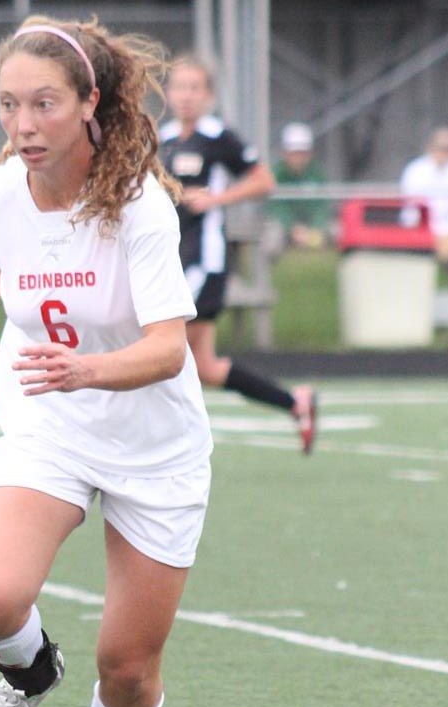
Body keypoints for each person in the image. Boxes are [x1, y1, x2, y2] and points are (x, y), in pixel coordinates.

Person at [0, 15, 212, 707]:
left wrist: (83, 369)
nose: (23, 125)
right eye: (7, 105)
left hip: (153, 442)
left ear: (88, 104)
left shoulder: (138, 205)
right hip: (50, 420)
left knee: (127, 665)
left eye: (43, 105)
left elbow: (169, 348)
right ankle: (28, 672)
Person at [159, 54, 318, 454]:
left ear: (209, 95)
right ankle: (295, 403)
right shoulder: (163, 139)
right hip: (175, 258)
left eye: (195, 87)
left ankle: (157, 441)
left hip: (205, 261)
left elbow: (263, 180)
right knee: (205, 366)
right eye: (179, 86)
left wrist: (217, 198)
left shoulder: (218, 137)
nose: (186, 96)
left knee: (156, 341)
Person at [399, 125, 448, 281]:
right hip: (419, 228)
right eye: (440, 148)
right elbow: (411, 206)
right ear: (430, 147)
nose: (443, 153)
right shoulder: (416, 171)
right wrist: (428, 230)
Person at [267, 121, 331, 252]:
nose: (298, 158)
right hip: (285, 227)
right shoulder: (276, 174)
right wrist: (292, 227)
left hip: (312, 227)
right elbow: (274, 206)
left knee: (337, 231)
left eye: (302, 153)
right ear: (285, 153)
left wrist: (316, 227)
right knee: (272, 235)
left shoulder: (317, 174)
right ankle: (266, 271)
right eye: (294, 153)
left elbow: (323, 205)